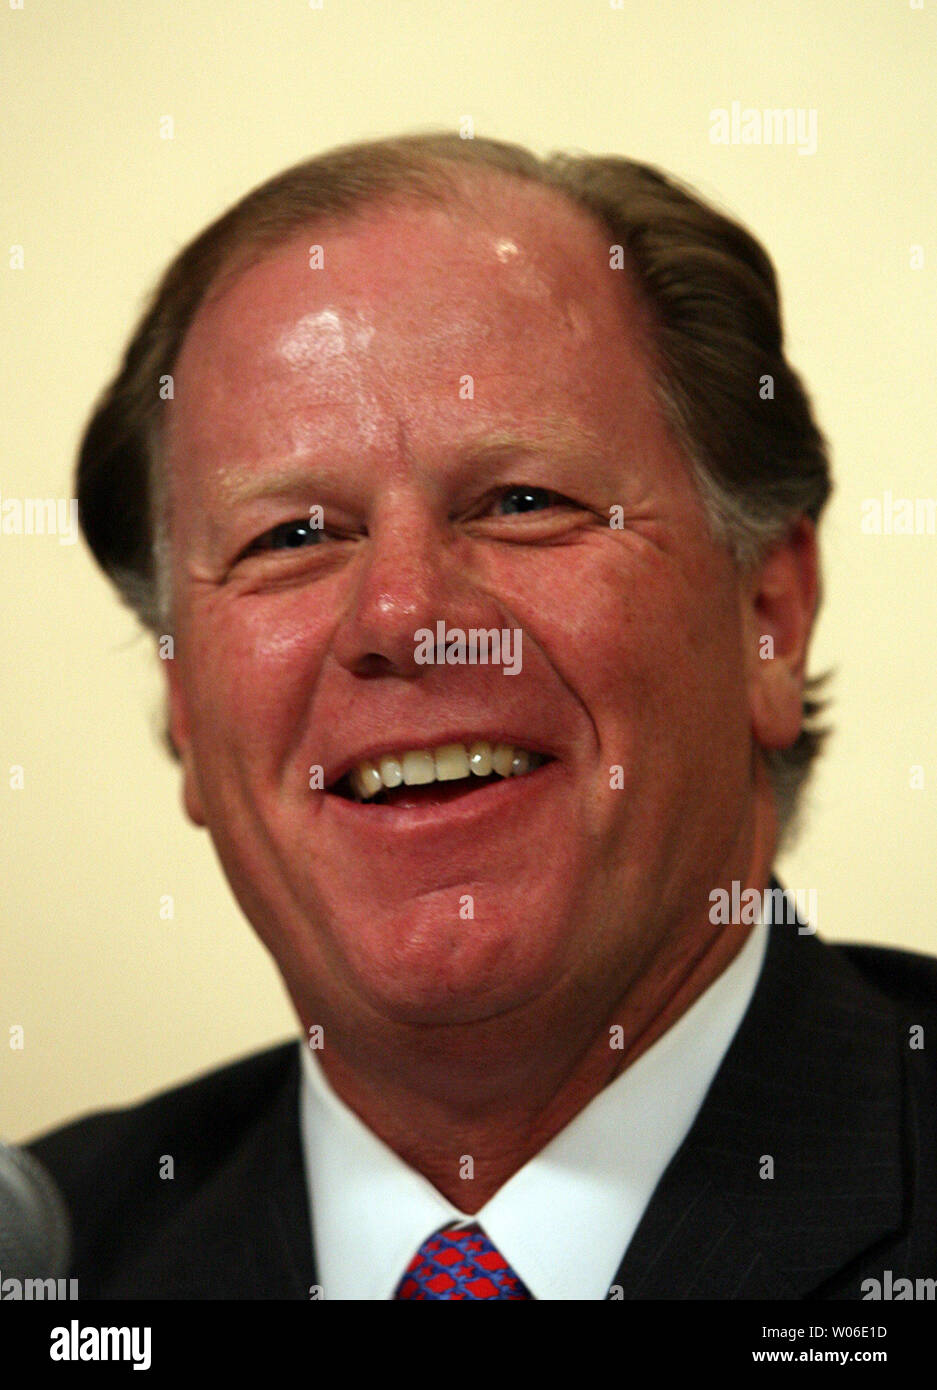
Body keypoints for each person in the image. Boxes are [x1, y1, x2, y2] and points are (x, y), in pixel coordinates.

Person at [29, 133, 937, 1300]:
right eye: (292, 536)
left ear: (767, 614)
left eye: (522, 502)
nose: (403, 615)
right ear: (185, 704)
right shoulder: (58, 1262)